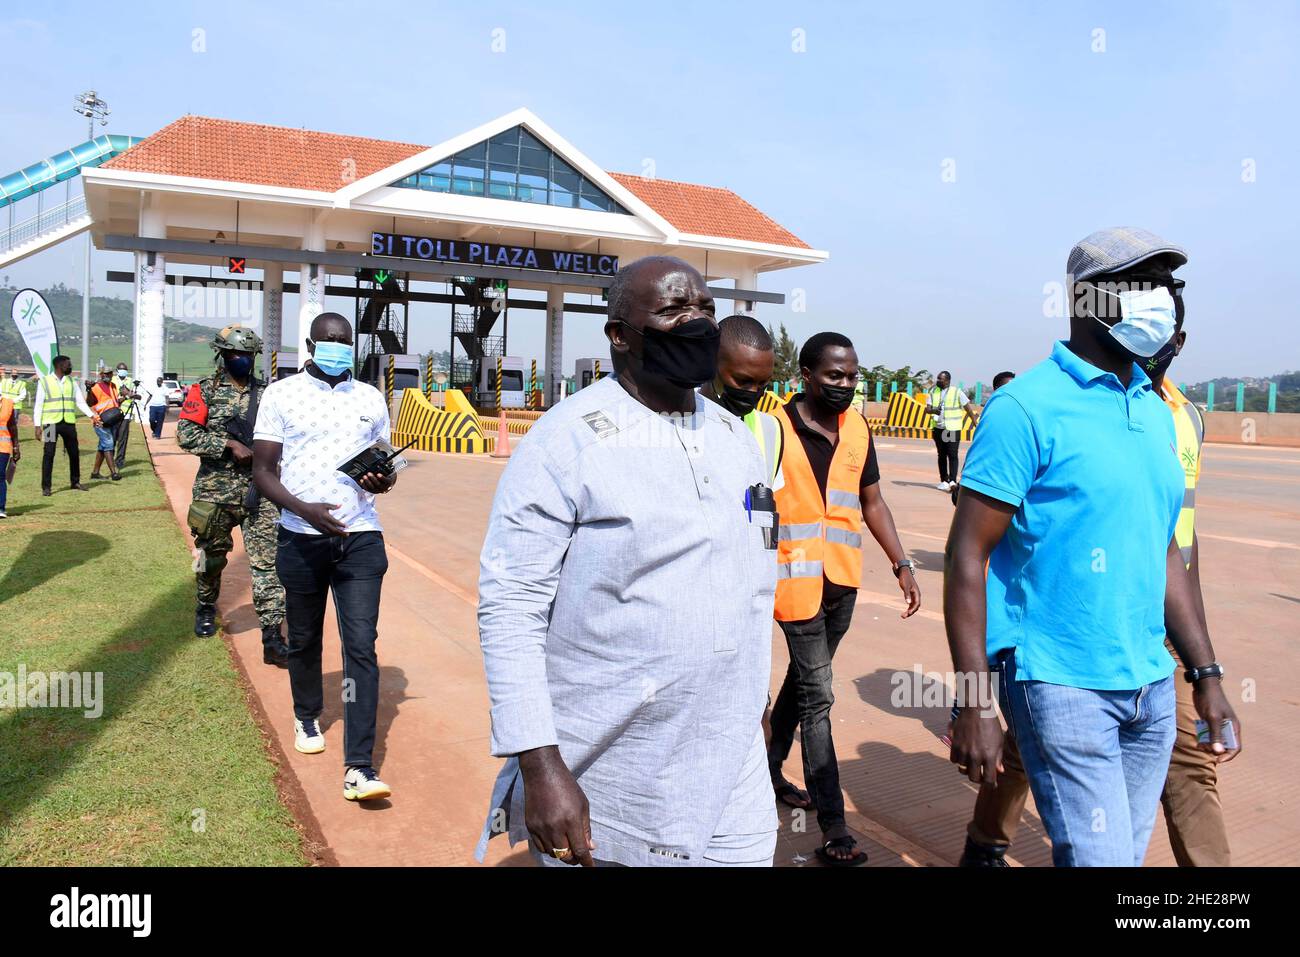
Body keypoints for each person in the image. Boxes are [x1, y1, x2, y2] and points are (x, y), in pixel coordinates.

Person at [945, 227, 1241, 867]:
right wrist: (975, 699)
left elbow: (1166, 552)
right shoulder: (1023, 408)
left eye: (1167, 286)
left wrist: (1206, 673)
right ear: (1088, 300)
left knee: (1118, 859)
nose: (1160, 299)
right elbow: (967, 556)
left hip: (1151, 685)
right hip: (1060, 682)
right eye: (1144, 284)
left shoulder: (1156, 410)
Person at [474, 256, 779, 867]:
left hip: (731, 758)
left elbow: (750, 581)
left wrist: (756, 703)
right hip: (612, 766)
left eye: (705, 309)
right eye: (672, 310)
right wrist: (540, 764)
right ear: (618, 333)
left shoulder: (736, 440)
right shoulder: (564, 443)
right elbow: (511, 608)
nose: (695, 323)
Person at [767, 331, 922, 866]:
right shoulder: (773, 431)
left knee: (805, 683)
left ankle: (768, 768)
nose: (846, 385)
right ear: (804, 376)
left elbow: (872, 501)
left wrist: (902, 564)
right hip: (793, 585)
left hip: (842, 585)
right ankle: (834, 826)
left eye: (852, 375)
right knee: (820, 698)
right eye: (835, 375)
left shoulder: (858, 428)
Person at [252, 312, 396, 803]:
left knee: (361, 646)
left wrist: (383, 478)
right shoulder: (281, 395)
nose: (338, 347)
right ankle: (307, 713)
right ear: (312, 344)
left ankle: (359, 766)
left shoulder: (371, 398)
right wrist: (303, 510)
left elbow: (384, 463)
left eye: (345, 341)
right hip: (300, 536)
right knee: (306, 636)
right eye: (329, 340)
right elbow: (263, 472)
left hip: (361, 537)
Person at [177, 325, 288, 668]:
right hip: (216, 491)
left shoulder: (267, 393)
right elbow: (185, 434)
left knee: (268, 564)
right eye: (236, 354)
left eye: (248, 356)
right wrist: (227, 445)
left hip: (261, 491)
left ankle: (272, 636)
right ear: (222, 355)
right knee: (209, 558)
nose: (242, 360)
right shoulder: (205, 390)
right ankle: (206, 605)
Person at [698, 314, 784, 489]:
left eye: (762, 384)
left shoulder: (770, 430)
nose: (753, 392)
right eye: (743, 381)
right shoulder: (673, 418)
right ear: (711, 364)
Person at [33, 355, 97, 496]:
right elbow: (38, 405)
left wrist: (92, 415)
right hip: (50, 423)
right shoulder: (45, 382)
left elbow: (80, 402)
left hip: (68, 423)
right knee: (49, 454)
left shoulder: (71, 382)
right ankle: (46, 487)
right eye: (68, 365)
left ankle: (75, 482)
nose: (70, 367)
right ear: (59, 366)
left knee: (74, 453)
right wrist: (37, 426)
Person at [950, 372, 1015, 507]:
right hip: (990, 481)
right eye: (1009, 386)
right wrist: (963, 482)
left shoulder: (1021, 413)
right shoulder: (992, 413)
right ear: (997, 388)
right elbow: (977, 449)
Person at [925, 371, 979, 492]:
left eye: (940, 379)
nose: (938, 380)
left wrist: (975, 422)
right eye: (938, 378)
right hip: (938, 428)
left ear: (948, 380)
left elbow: (967, 408)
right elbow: (927, 409)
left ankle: (953, 480)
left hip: (952, 428)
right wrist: (934, 410)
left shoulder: (956, 392)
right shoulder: (933, 392)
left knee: (952, 454)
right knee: (942, 455)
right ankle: (944, 480)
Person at [87, 368, 123, 482]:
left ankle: (95, 473)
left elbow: (115, 402)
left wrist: (127, 397)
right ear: (101, 375)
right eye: (105, 373)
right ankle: (113, 473)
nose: (107, 375)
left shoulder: (113, 386)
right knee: (109, 444)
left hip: (112, 420)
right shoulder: (95, 387)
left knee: (102, 447)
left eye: (109, 373)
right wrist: (88, 390)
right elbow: (89, 402)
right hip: (100, 421)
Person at [112, 363, 139, 471]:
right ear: (117, 370)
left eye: (125, 369)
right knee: (112, 437)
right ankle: (110, 458)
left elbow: (134, 395)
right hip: (114, 412)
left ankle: (120, 460)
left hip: (126, 413)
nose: (123, 371)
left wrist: (130, 394)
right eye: (121, 369)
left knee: (123, 438)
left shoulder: (130, 381)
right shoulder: (112, 380)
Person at [0, 389, 19, 519]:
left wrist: (16, 446)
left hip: (3, 447)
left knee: (0, 476)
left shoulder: (7, 403)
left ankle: (0, 508)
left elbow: (12, 426)